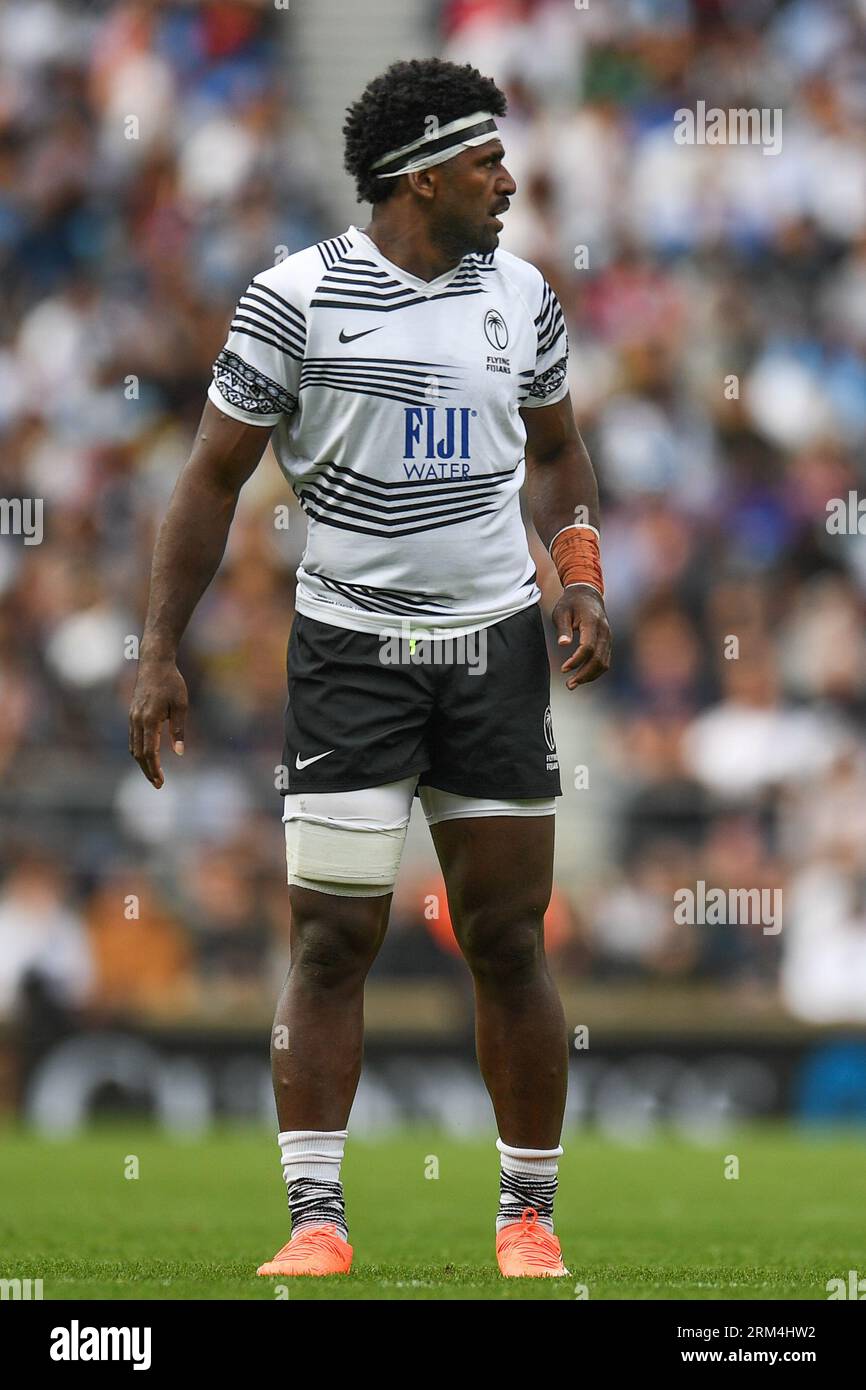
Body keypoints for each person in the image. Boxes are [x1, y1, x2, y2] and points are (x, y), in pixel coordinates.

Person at [129, 57, 611, 1280]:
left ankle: (526, 1217)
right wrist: (157, 653)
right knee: (332, 940)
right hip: (353, 652)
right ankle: (314, 1221)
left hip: (494, 648)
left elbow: (556, 452)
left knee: (505, 939)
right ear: (420, 174)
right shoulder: (291, 300)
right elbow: (209, 479)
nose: (509, 179)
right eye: (486, 160)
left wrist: (581, 573)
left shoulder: (523, 296)